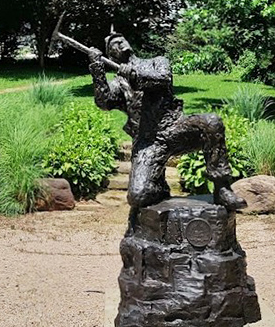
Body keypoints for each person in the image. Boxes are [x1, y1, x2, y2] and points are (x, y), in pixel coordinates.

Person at [88, 31, 246, 218]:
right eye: (114, 45)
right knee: (138, 195)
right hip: (148, 141)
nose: (120, 44)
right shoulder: (118, 84)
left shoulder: (157, 61)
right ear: (111, 55)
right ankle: (159, 187)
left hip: (174, 128)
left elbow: (162, 79)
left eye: (121, 40)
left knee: (211, 122)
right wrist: (97, 69)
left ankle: (222, 189)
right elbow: (104, 102)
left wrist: (134, 74)